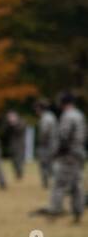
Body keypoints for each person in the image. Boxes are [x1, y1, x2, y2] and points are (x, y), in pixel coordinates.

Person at [36, 91, 86, 223]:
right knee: (76, 185)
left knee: (59, 184)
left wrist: (57, 152)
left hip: (67, 155)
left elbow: (64, 136)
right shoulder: (79, 114)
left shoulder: (68, 116)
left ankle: (55, 210)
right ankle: (78, 212)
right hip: (78, 153)